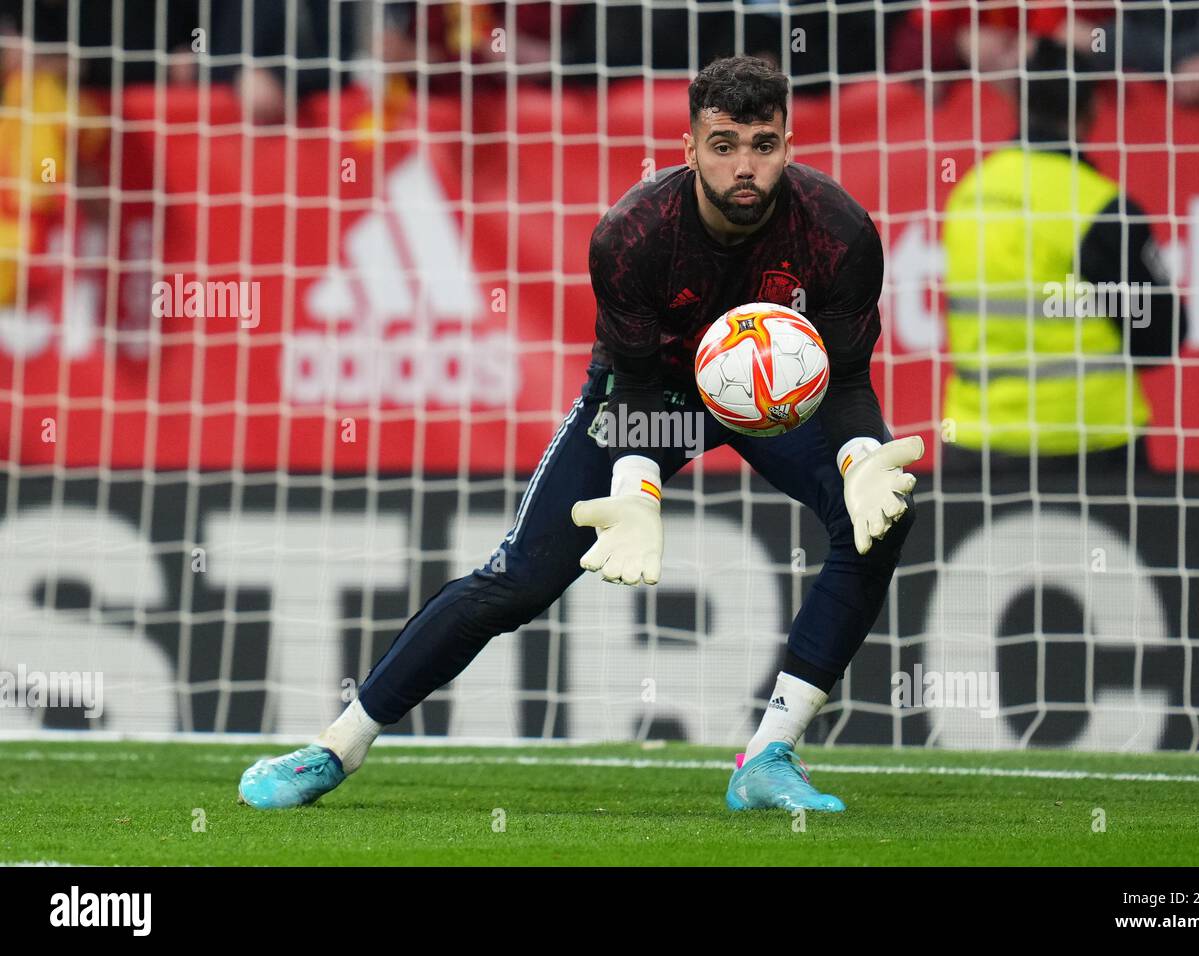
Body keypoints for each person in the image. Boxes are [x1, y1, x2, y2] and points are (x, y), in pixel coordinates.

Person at [237, 55, 923, 814]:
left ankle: (768, 756)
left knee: (881, 518)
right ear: (689, 148)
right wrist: (636, 490)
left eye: (762, 144)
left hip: (774, 403)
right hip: (653, 398)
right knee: (520, 580)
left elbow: (850, 380)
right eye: (724, 145)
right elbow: (629, 386)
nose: (745, 166)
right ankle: (338, 745)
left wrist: (860, 457)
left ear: (789, 147)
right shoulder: (632, 236)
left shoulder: (840, 232)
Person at [939, 39, 1185, 486]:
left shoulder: (968, 194)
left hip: (976, 443)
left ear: (1021, 102)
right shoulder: (1098, 205)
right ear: (1088, 108)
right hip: (1089, 443)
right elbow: (1161, 334)